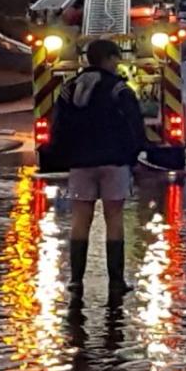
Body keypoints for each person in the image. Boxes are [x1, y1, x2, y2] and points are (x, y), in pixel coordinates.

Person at [50, 39, 146, 297]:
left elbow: (58, 126)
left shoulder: (70, 89)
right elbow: (134, 125)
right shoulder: (119, 89)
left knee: (81, 218)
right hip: (114, 162)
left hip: (80, 163)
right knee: (114, 217)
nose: (117, 64)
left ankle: (76, 279)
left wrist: (63, 155)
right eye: (116, 59)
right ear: (109, 59)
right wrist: (134, 153)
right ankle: (116, 280)